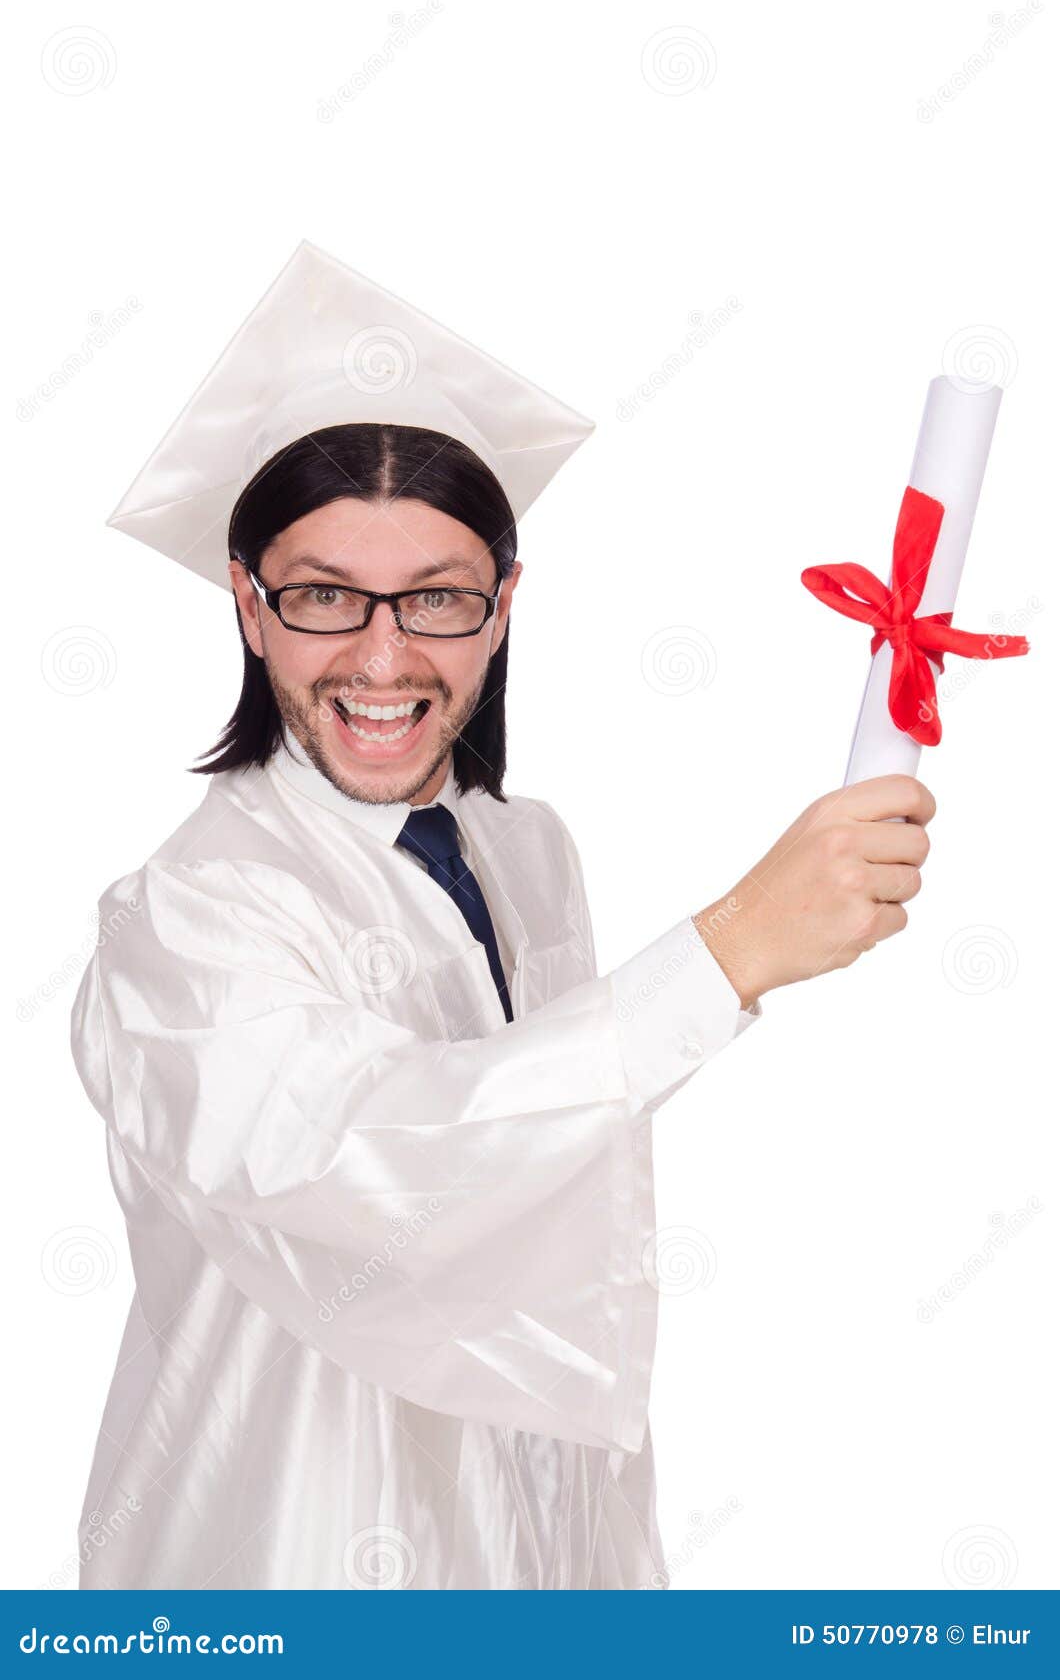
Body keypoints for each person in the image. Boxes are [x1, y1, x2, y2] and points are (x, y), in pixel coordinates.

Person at [70, 243, 933, 1590]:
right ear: (249, 603)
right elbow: (379, 1168)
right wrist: (731, 951)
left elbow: (555, 1207)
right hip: (283, 1564)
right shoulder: (184, 920)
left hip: (529, 1548)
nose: (382, 654)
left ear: (503, 606)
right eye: (323, 595)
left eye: (438, 596)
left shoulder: (528, 853)